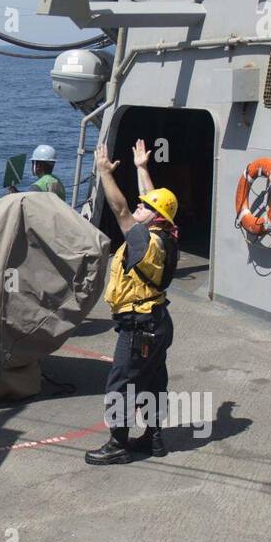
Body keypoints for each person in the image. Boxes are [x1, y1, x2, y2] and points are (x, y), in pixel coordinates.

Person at [85, 139, 179, 465]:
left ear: (153, 219)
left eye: (145, 208)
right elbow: (157, 207)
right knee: (152, 379)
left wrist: (104, 174)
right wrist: (142, 169)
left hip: (139, 326)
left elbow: (121, 210)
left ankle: (118, 443)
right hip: (157, 322)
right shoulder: (165, 234)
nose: (139, 207)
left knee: (121, 382)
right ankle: (153, 438)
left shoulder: (145, 243)